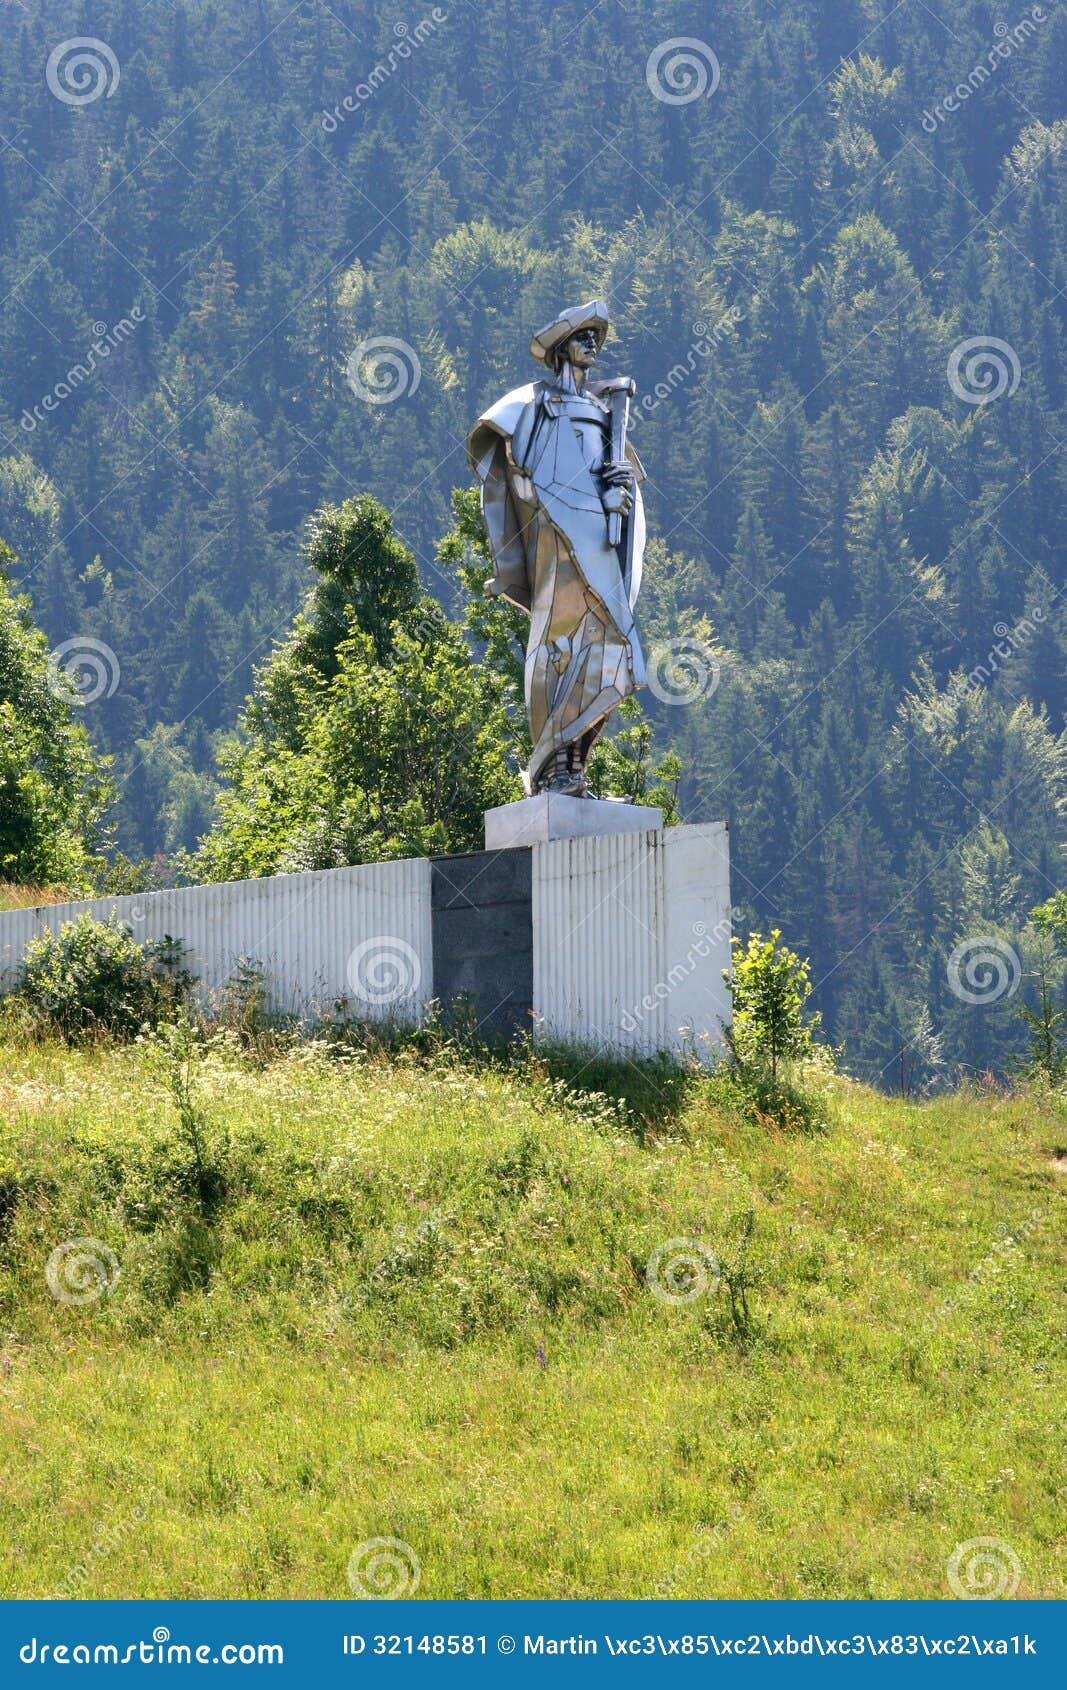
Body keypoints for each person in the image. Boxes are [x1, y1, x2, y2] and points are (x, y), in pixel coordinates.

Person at [467, 300, 646, 797]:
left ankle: (577, 766)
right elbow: (518, 475)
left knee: (609, 645)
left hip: (597, 545)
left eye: (596, 337)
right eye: (583, 335)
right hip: (556, 542)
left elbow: (621, 485)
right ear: (561, 347)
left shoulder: (604, 415)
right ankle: (552, 765)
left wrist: (619, 492)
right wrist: (564, 504)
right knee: (556, 643)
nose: (592, 343)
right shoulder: (533, 404)